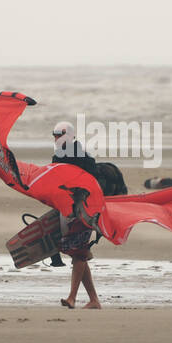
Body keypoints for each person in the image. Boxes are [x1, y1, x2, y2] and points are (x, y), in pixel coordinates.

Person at [51, 121, 101, 308]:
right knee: (77, 254)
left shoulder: (84, 158)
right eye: (54, 134)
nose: (56, 137)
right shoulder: (57, 158)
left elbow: (93, 185)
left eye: (60, 134)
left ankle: (72, 297)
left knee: (79, 253)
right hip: (67, 211)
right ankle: (94, 300)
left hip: (85, 212)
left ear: (69, 135)